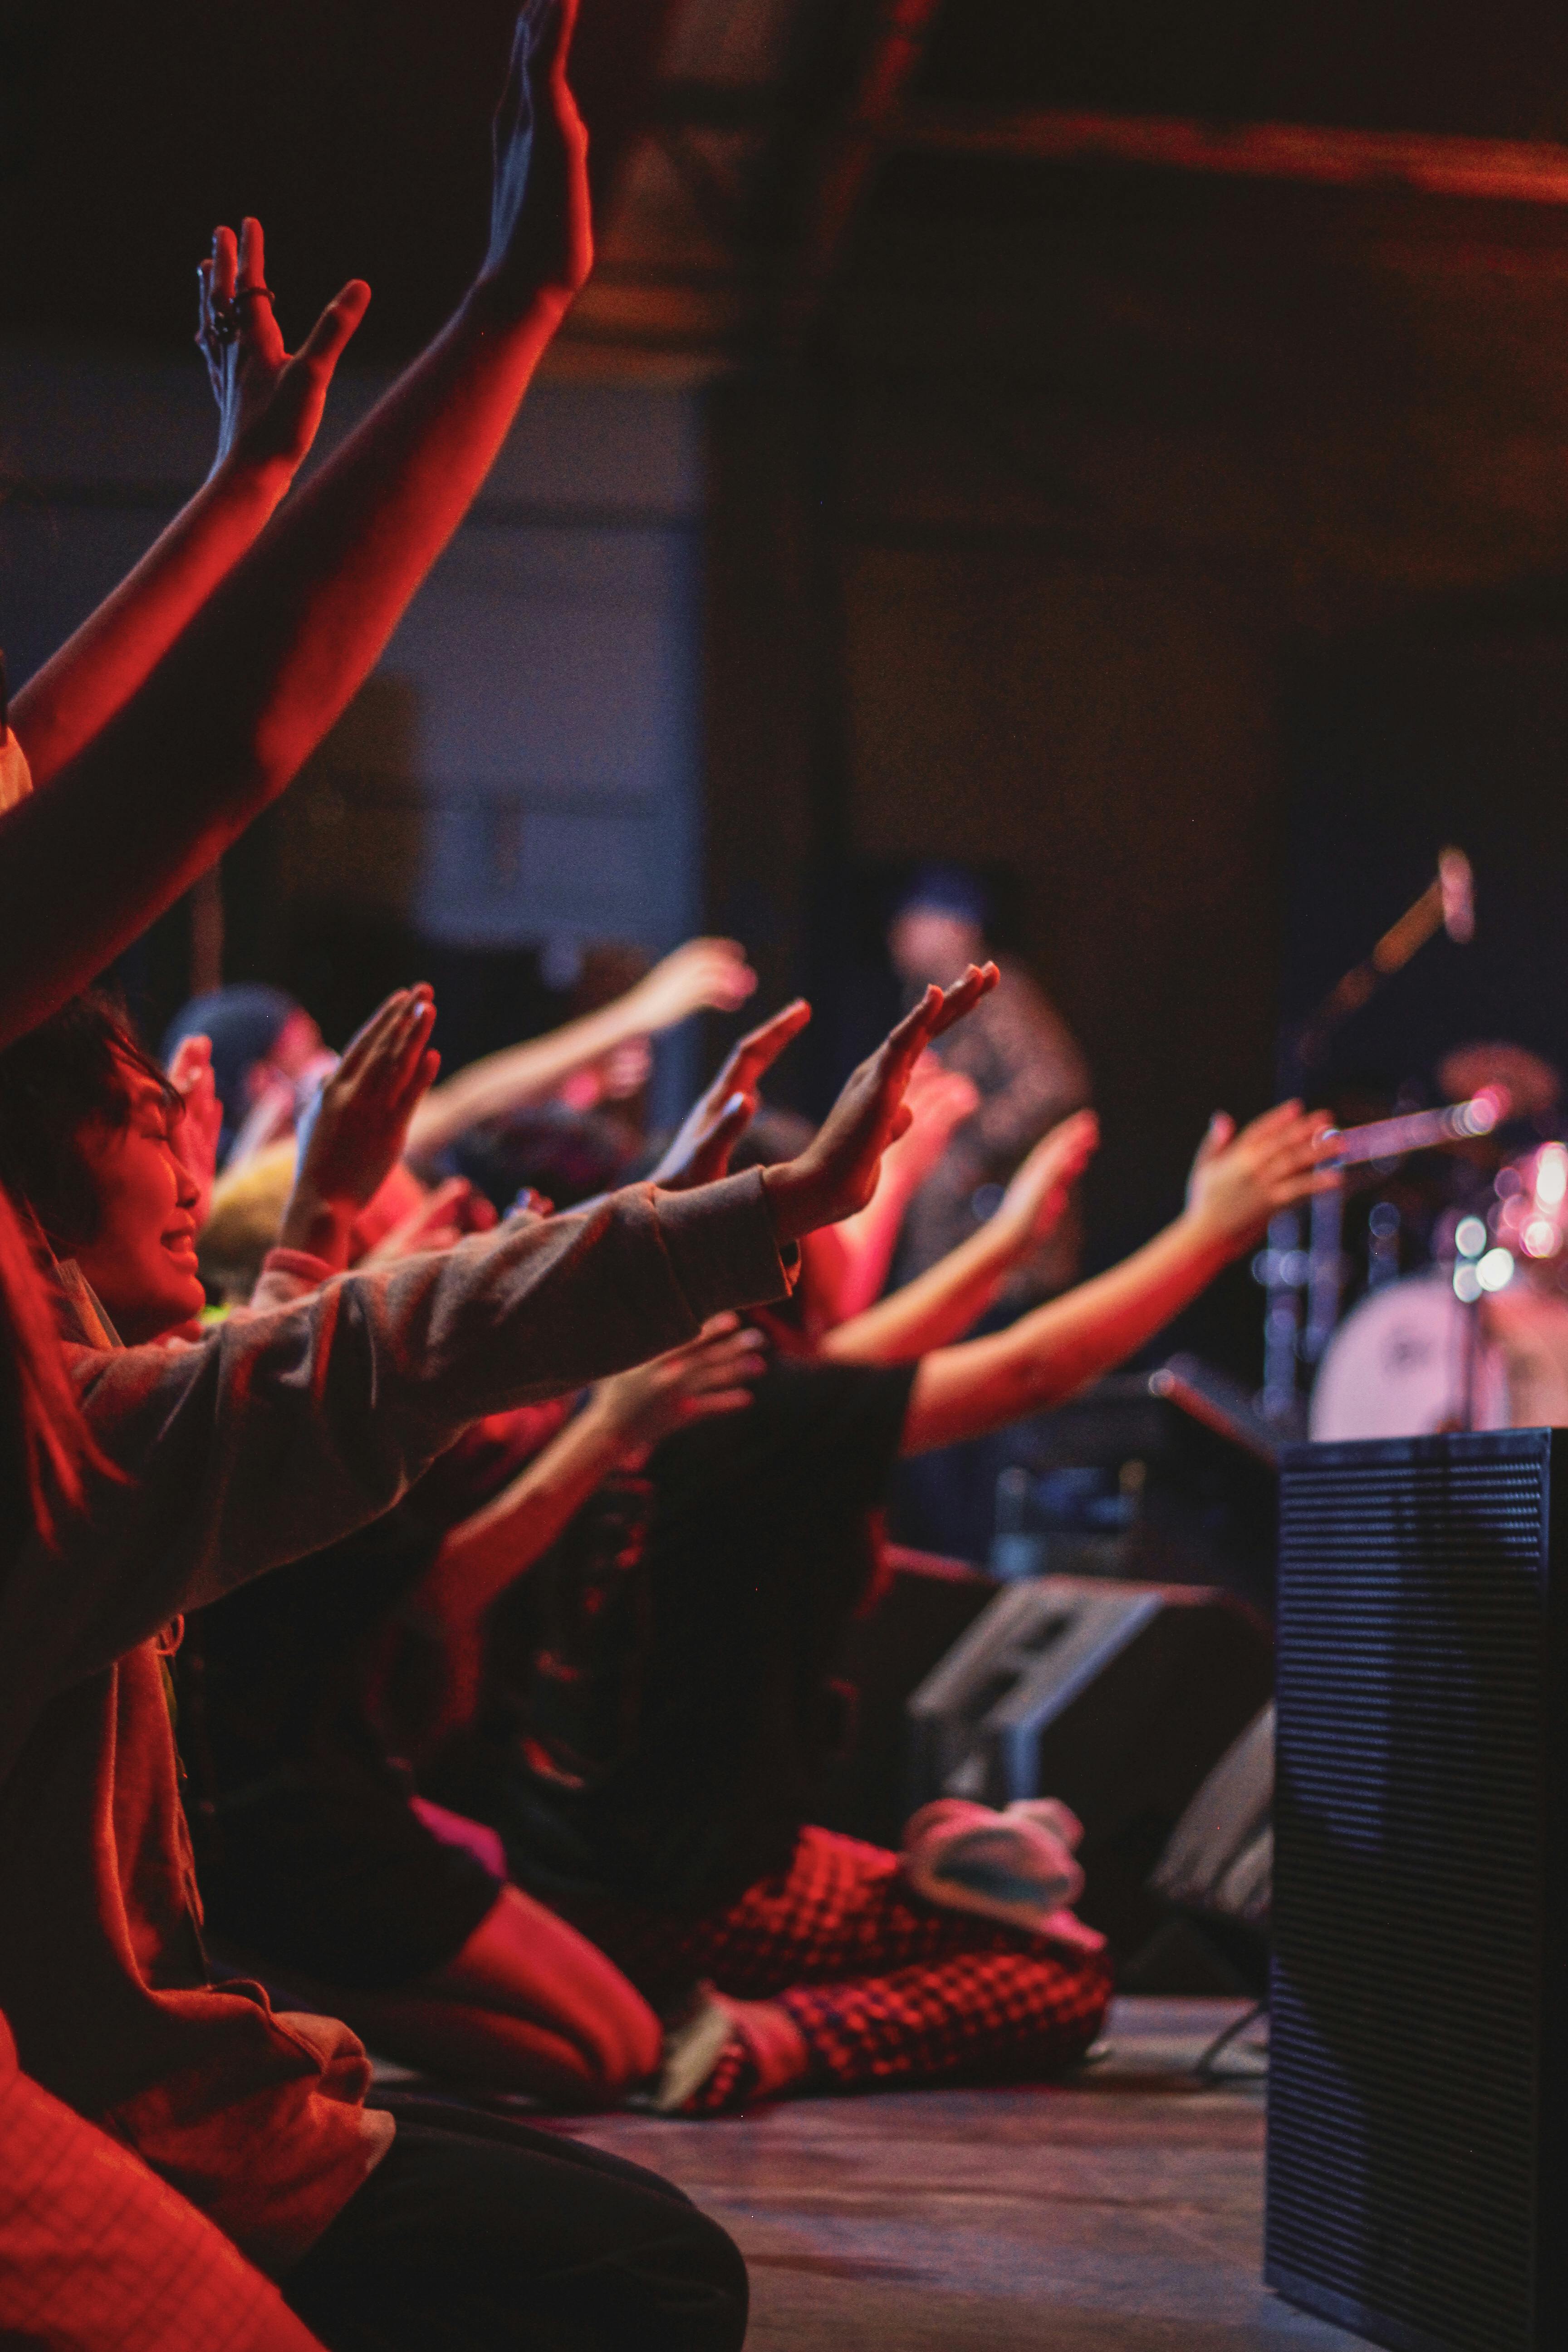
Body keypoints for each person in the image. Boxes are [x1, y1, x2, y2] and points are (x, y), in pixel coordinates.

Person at [0, 939, 995, 2344]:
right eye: (142, 1123)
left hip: (244, 1972)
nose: (187, 1170)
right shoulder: (55, 1452)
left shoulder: (93, 1427)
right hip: (205, 2001)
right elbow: (352, 1369)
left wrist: (342, 1212)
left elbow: (271, 1386)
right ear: (27, 1204)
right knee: (649, 2246)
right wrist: (759, 1210)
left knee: (611, 2130)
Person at [472, 1091, 1335, 2112]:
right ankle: (772, 2039)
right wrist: (1207, 1236)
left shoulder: (651, 1388)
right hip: (694, 1893)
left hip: (572, 1876)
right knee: (1057, 1972)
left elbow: (856, 1360)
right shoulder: (768, 1414)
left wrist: (1004, 1249)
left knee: (964, 1903)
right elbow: (1028, 1370)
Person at [167, 935, 757, 1176]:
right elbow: (462, 1106)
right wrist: (638, 1011)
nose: (333, 1063)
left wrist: (562, 1090)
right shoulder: (271, 1182)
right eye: (310, 1053)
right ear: (263, 1084)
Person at [887, 864, 1090, 1303]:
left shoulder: (995, 995)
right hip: (956, 1252)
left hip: (997, 1254)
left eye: (918, 919)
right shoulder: (936, 999)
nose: (900, 934)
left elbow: (1054, 1083)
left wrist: (971, 1152)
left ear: (957, 927)